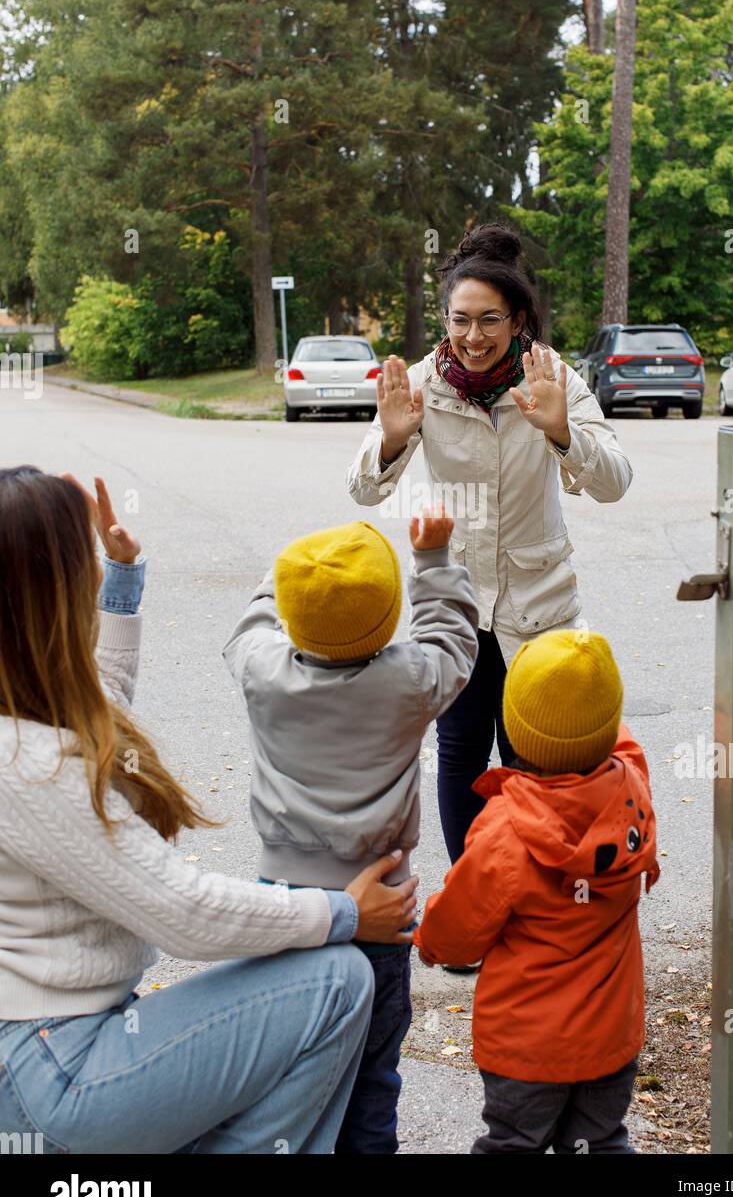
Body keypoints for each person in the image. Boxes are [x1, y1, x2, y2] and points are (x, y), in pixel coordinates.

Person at [0, 466, 416, 1155]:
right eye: (84, 560)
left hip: (50, 1054)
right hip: (57, 1075)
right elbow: (182, 910)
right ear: (51, 593)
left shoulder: (25, 717)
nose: (93, 572)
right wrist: (344, 913)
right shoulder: (31, 765)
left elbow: (100, 700)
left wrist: (123, 578)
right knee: (340, 980)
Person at [347, 222, 633, 870]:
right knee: (460, 755)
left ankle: (536, 905)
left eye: (489, 320)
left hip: (541, 608)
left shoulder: (551, 378)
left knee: (536, 763)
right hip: (459, 609)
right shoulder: (424, 382)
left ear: (518, 319)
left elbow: (616, 482)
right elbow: (361, 488)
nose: (473, 337)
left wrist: (563, 433)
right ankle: (474, 898)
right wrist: (390, 441)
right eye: (460, 320)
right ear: (445, 320)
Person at [222, 504, 478, 1153]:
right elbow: (454, 640)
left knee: (291, 1075)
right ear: (386, 616)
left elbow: (250, 625)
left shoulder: (264, 674)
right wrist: (432, 562)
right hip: (383, 913)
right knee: (372, 1080)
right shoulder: (409, 681)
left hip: (286, 909)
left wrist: (287, 578)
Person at [413, 629, 660, 1155]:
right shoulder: (630, 791)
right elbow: (617, 737)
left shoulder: (505, 831)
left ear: (516, 732)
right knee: (600, 1142)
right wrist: (587, 698)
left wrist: (428, 942)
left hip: (525, 1048)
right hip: (610, 1038)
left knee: (513, 1144)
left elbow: (458, 931)